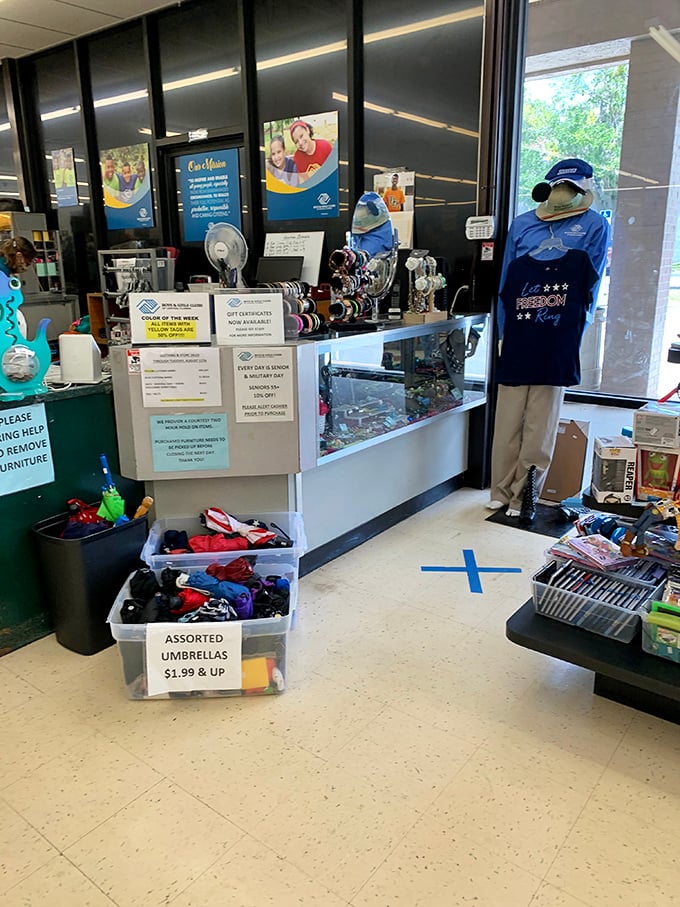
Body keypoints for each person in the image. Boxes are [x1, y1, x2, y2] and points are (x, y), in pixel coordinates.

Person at [487, 158, 609, 520]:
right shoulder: (523, 225)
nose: (562, 192)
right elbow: (505, 285)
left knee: (540, 421)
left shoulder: (594, 225)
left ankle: (525, 494)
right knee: (507, 418)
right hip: (519, 334)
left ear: (585, 187)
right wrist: (502, 333)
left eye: (571, 186)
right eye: (558, 185)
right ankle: (499, 489)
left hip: (557, 335)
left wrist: (576, 332)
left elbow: (593, 284)